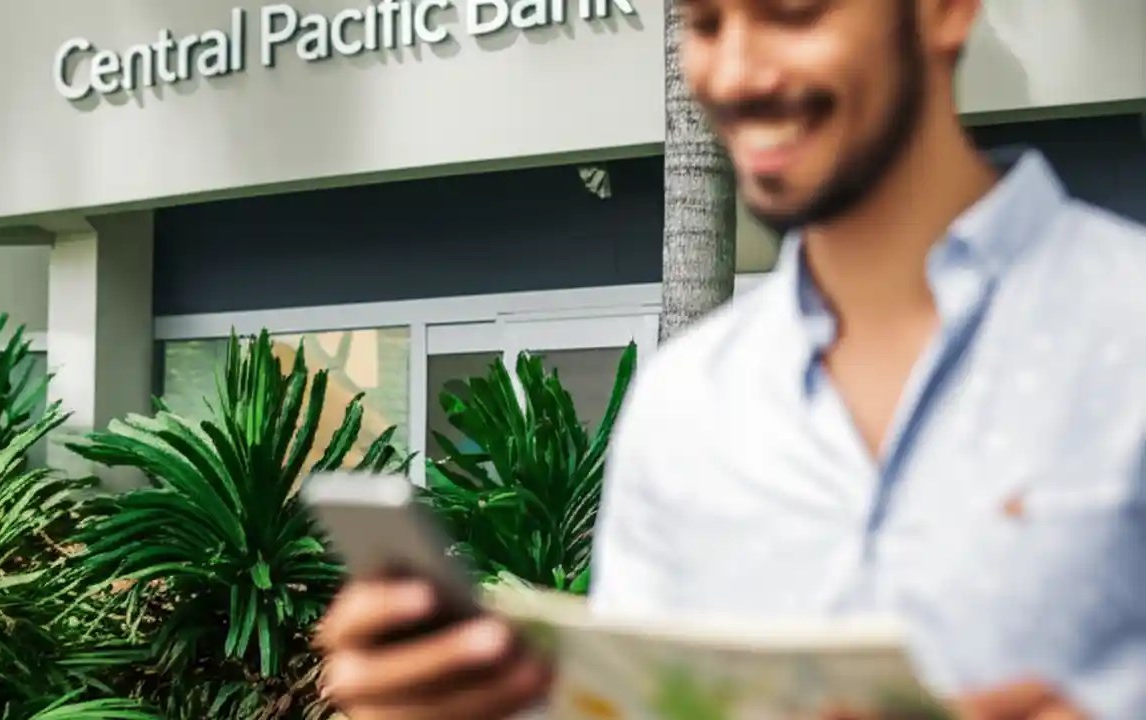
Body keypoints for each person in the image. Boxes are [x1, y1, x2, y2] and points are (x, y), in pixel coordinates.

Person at [315, 0, 1146, 717]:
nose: (739, 74)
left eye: (793, 14)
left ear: (945, 10)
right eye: (706, 24)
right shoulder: (683, 402)